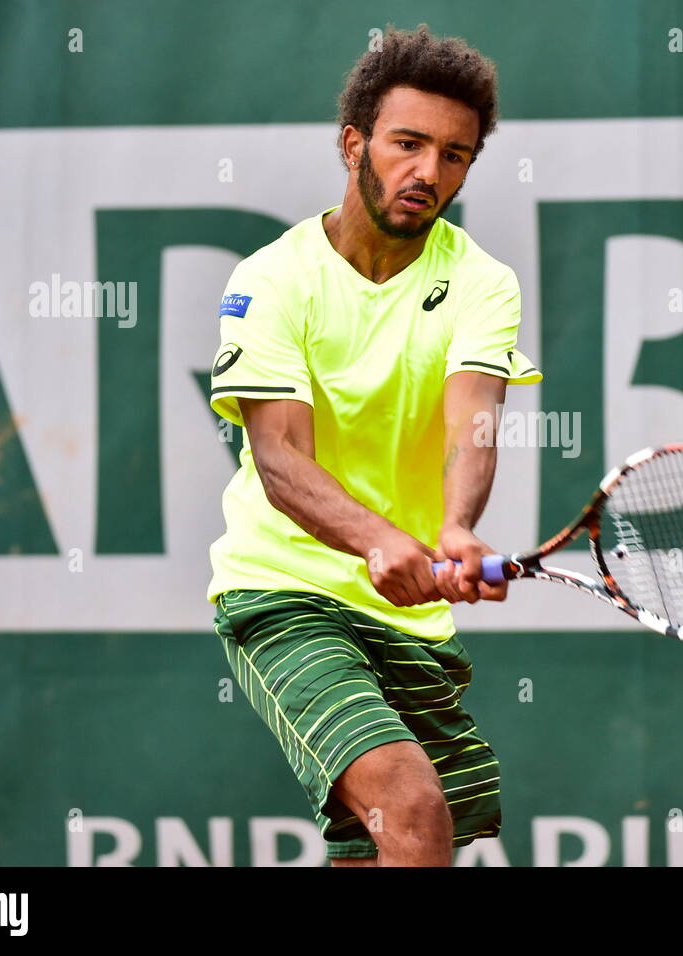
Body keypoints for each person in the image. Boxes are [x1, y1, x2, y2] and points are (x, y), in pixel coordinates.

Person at [206, 24, 541, 867]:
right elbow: (279, 458)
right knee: (411, 807)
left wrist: (456, 528)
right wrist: (380, 539)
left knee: (392, 845)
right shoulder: (271, 280)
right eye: (409, 144)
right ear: (353, 143)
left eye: (456, 155)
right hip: (282, 594)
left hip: (408, 614)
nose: (430, 172)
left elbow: (473, 424)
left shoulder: (482, 283)